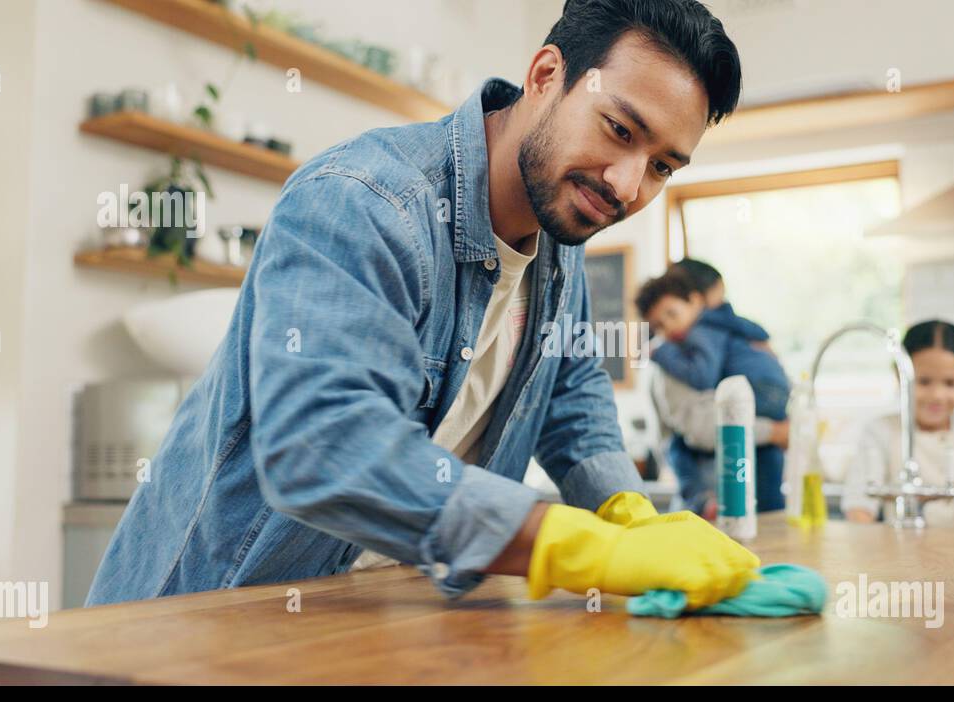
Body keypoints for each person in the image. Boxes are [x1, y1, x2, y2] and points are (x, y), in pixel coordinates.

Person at [86, 0, 759, 609]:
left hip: (371, 620)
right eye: (618, 128)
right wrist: (575, 548)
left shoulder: (562, 242)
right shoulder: (364, 201)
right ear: (546, 75)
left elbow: (572, 399)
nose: (626, 184)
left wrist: (626, 512)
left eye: (663, 166)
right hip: (206, 624)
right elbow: (324, 444)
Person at [636, 267, 789, 513]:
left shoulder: (697, 337)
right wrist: (776, 431)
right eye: (658, 325)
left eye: (671, 314)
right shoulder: (725, 329)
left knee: (679, 447)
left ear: (695, 301)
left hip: (760, 401)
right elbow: (701, 429)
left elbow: (703, 380)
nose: (668, 328)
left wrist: (659, 352)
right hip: (721, 501)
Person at [842, 320, 954, 526]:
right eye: (923, 381)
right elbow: (859, 505)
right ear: (899, 375)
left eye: (950, 383)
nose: (937, 395)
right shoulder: (880, 430)